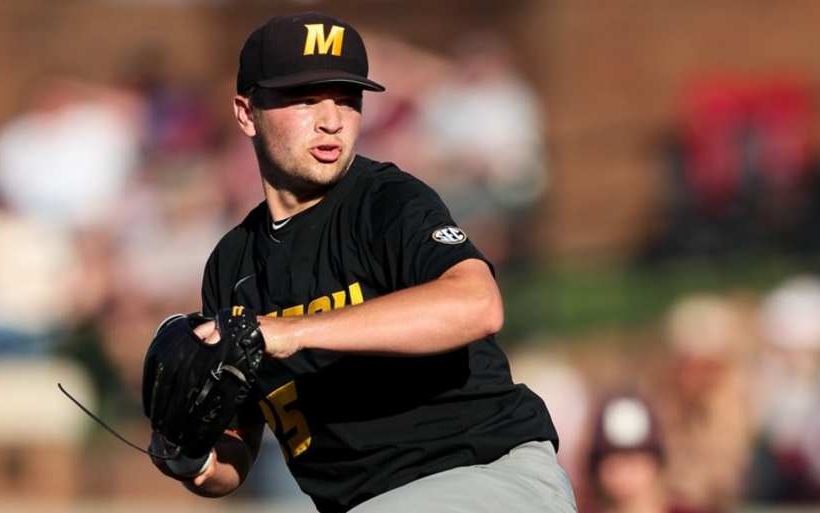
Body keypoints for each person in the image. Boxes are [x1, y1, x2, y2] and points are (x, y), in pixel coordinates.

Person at [148, 12, 577, 513]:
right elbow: (235, 454)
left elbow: (478, 304)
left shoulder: (386, 203)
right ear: (246, 112)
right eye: (306, 99)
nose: (331, 119)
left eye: (347, 99)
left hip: (481, 473)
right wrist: (190, 458)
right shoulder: (232, 266)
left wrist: (293, 331)